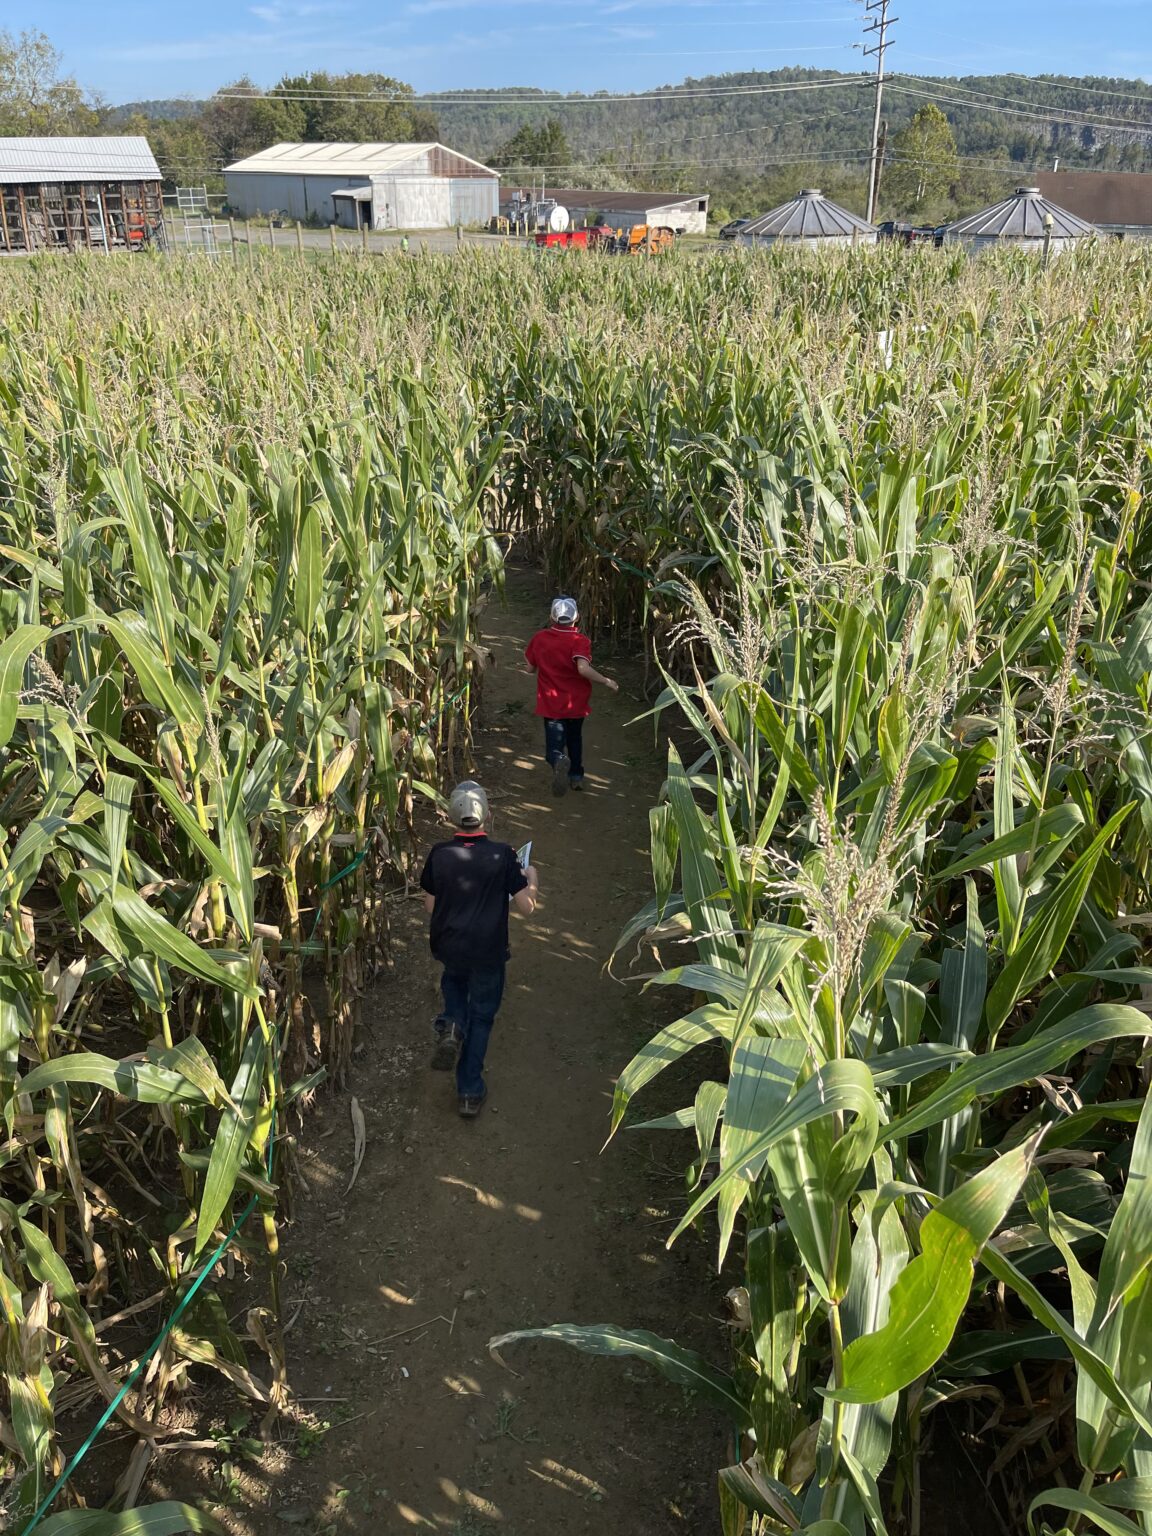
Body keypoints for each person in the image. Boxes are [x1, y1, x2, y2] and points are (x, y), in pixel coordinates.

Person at [419, 780, 538, 1118]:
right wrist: (531, 877)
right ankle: (469, 1091)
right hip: (488, 949)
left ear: (450, 817)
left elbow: (430, 906)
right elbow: (527, 907)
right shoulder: (503, 855)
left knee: (454, 986)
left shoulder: (439, 854)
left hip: (450, 945)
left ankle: (452, 1024)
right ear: (488, 814)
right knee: (483, 1014)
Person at [524, 596, 618, 797]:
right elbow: (583, 668)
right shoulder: (579, 641)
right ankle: (576, 777)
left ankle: (558, 761)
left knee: (553, 748)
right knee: (575, 739)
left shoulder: (540, 638)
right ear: (576, 618)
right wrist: (606, 681)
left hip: (551, 704)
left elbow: (530, 668)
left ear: (552, 617)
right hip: (576, 704)